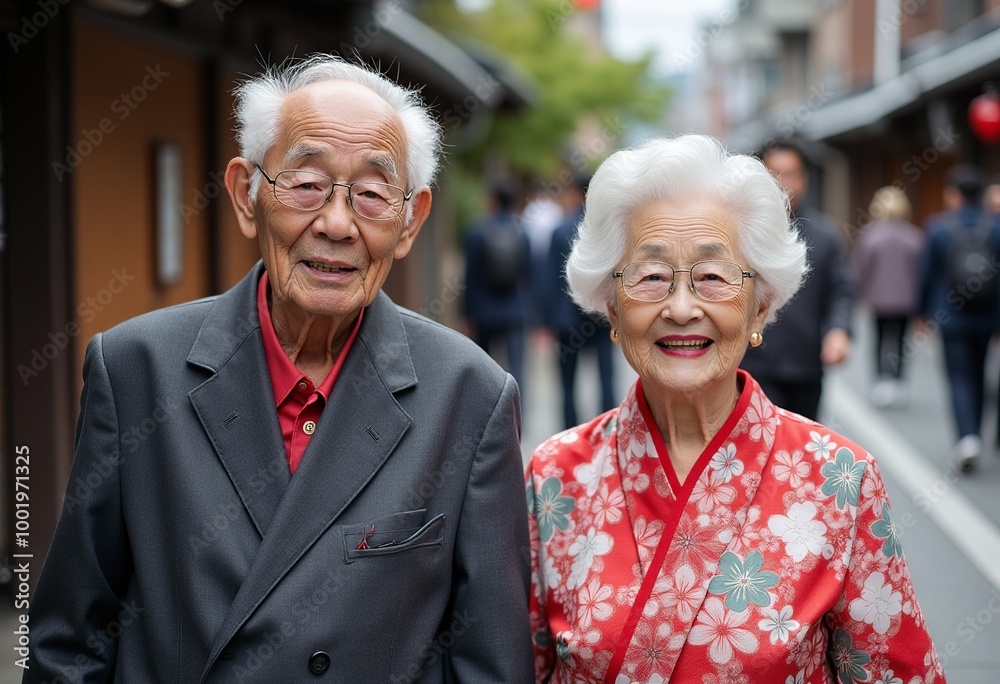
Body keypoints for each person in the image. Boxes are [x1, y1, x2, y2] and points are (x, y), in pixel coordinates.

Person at [27, 55, 533, 683]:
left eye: (373, 194)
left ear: (410, 222)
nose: (337, 224)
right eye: (307, 183)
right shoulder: (136, 370)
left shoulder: (470, 395)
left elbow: (490, 662)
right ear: (247, 195)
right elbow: (70, 641)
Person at [527, 135, 944, 683]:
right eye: (650, 277)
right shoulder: (555, 476)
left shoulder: (840, 479)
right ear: (611, 305)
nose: (681, 308)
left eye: (713, 277)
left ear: (760, 306)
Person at [739, 139, 854, 420]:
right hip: (750, 361)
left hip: (806, 364)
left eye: (790, 174)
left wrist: (838, 330)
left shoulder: (825, 236)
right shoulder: (741, 233)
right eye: (774, 175)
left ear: (804, 179)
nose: (783, 183)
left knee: (803, 440)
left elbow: (840, 290)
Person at [918, 164, 1000, 472]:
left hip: (950, 314)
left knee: (958, 376)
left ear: (954, 194)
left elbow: (927, 275)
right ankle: (975, 432)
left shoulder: (938, 227)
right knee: (980, 372)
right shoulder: (996, 227)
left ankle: (967, 437)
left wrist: (921, 312)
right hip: (988, 315)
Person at [546, 173, 616, 429]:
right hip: (602, 315)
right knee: (606, 377)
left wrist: (547, 319)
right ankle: (610, 429)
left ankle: (571, 432)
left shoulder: (561, 230)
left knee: (567, 383)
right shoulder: (606, 232)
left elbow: (550, 281)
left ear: (576, 193)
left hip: (567, 319)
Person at [853, 185, 926, 408]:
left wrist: (859, 294)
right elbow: (921, 271)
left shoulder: (870, 235)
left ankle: (880, 380)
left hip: (878, 299)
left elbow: (861, 268)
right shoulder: (914, 236)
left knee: (878, 338)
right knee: (902, 340)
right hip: (906, 299)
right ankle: (898, 381)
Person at [463, 184, 531, 394]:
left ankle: (486, 408)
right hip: (514, 310)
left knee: (484, 368)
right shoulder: (522, 232)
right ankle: (518, 409)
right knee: (517, 368)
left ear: (493, 201)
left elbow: (470, 276)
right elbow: (528, 274)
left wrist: (467, 313)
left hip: (484, 311)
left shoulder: (477, 231)